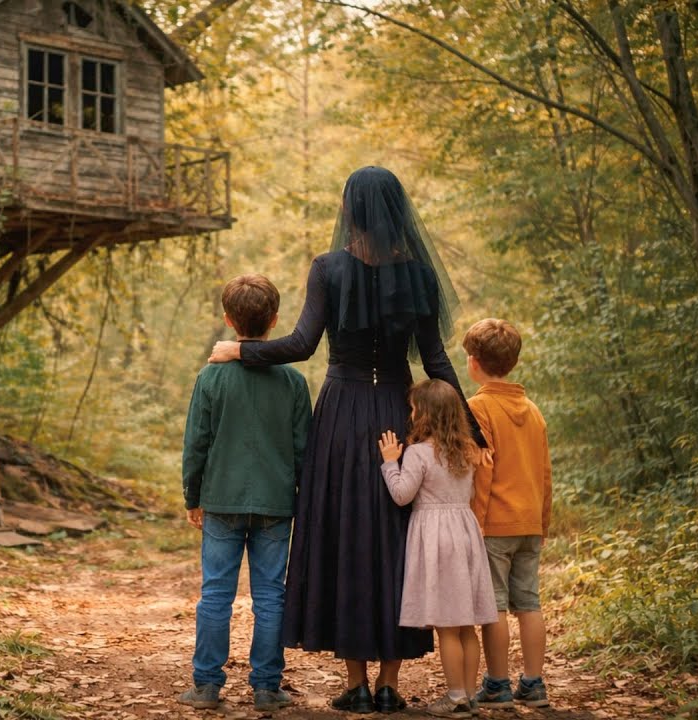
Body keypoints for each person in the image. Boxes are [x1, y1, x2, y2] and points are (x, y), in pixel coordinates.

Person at [208, 166, 486, 714]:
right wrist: (472, 430)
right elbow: (434, 359)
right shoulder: (420, 276)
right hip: (398, 413)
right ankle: (389, 684)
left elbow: (303, 343)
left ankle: (355, 683)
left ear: (350, 211)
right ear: (398, 210)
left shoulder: (329, 268)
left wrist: (241, 350)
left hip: (341, 416)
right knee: (395, 539)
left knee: (345, 536)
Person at [179, 274, 312, 713]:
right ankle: (267, 687)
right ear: (275, 321)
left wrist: (192, 495)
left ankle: (205, 686)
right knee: (271, 594)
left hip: (221, 499)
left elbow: (197, 440)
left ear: (227, 319)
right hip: (276, 503)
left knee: (216, 593)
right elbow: (302, 449)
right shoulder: (292, 382)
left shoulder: (211, 377)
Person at [378, 379, 498, 719]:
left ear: (426, 414)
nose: (411, 414)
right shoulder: (467, 449)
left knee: (448, 625)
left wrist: (389, 462)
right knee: (467, 625)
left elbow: (401, 495)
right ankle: (470, 695)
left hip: (436, 538)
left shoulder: (418, 453)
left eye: (415, 408)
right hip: (464, 533)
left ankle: (456, 695)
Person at [462, 318, 553, 709]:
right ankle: (534, 684)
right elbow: (545, 473)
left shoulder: (478, 408)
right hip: (529, 522)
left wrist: (474, 523)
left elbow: (482, 470)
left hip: (494, 523)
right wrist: (542, 522)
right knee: (529, 603)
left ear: (474, 363)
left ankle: (497, 684)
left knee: (494, 606)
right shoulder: (532, 410)